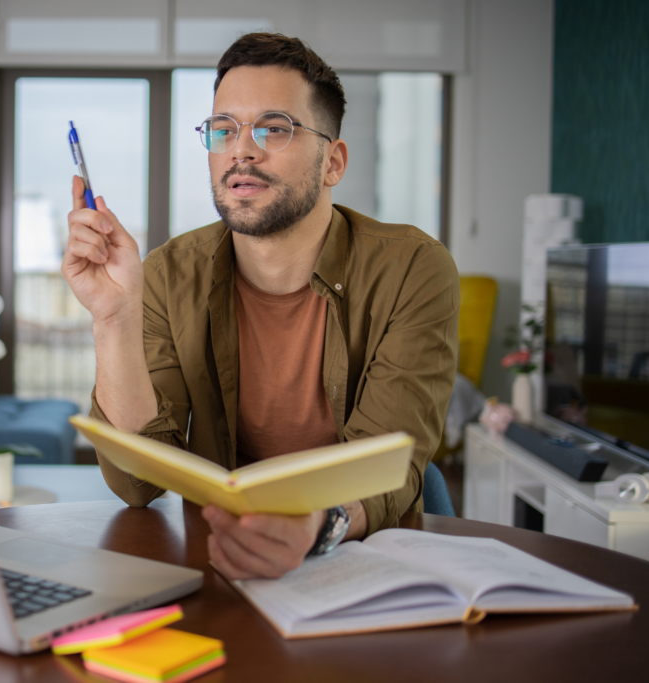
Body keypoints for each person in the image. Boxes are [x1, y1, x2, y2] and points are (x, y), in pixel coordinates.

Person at [61, 33, 459, 580]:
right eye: (223, 130)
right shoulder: (166, 274)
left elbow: (392, 463)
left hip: (363, 555)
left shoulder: (413, 268)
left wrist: (313, 527)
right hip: (225, 556)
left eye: (274, 128)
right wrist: (112, 318)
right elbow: (137, 482)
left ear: (332, 163)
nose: (241, 150)